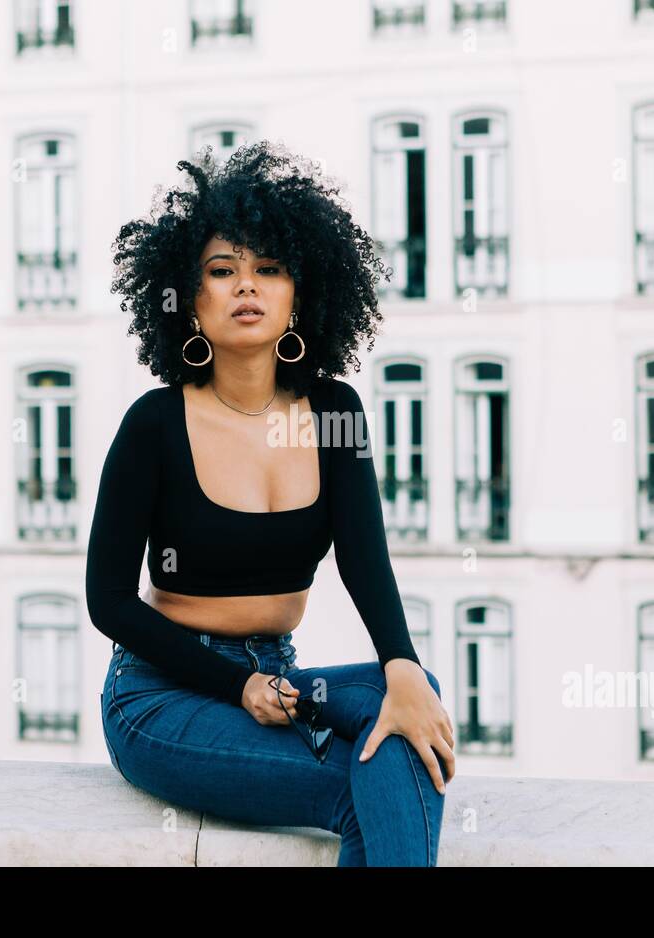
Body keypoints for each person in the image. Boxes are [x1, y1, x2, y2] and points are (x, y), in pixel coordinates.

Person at [87, 141, 454, 866]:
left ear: (299, 294)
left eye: (269, 269)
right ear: (191, 301)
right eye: (221, 271)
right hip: (165, 694)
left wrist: (402, 664)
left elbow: (363, 558)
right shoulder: (155, 425)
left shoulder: (334, 410)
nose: (245, 286)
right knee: (371, 776)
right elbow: (108, 602)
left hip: (284, 677)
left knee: (413, 698)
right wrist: (236, 683)